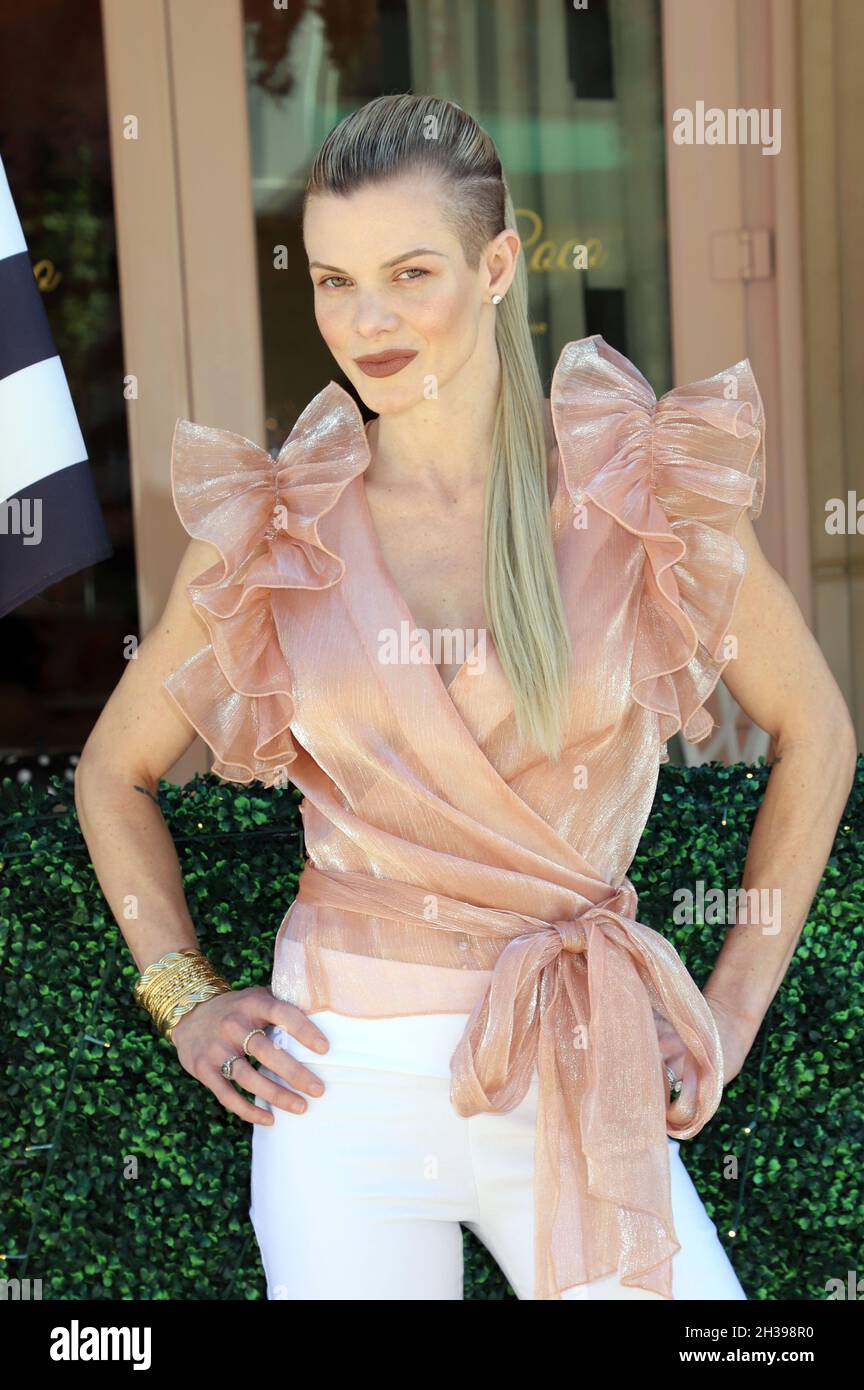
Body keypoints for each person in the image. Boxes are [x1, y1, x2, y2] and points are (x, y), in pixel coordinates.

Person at [75, 93, 857, 1302]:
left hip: (579, 1057)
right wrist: (182, 992)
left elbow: (818, 731)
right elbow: (110, 771)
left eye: (408, 271)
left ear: (498, 266)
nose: (365, 319)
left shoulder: (642, 492)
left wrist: (730, 1011)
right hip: (339, 1091)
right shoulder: (276, 530)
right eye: (334, 280)